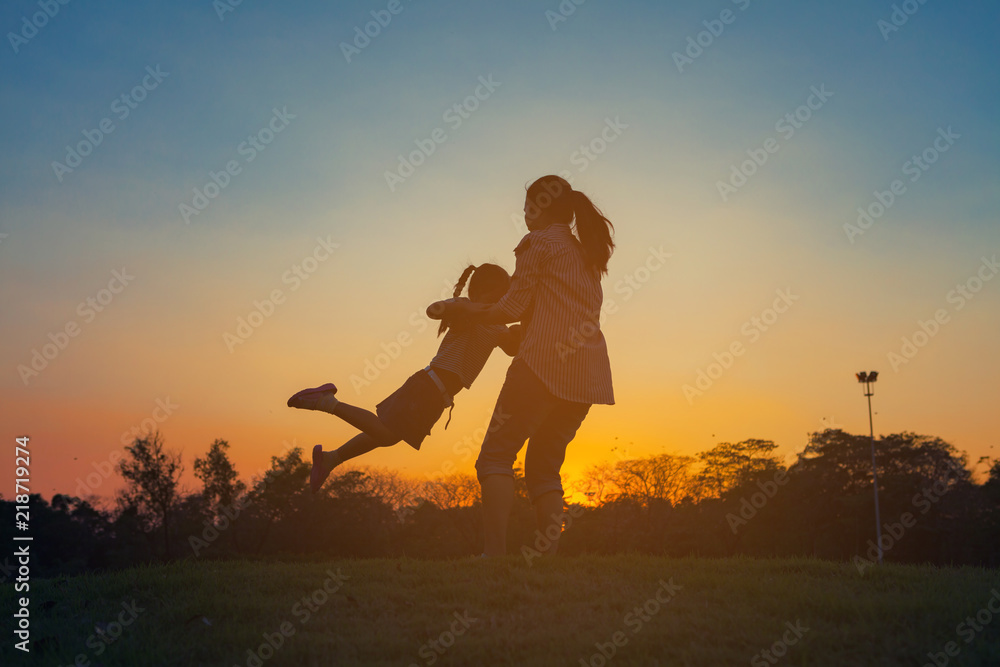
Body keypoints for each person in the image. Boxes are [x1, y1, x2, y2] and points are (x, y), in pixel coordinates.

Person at [447, 175, 615, 557]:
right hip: (587, 376)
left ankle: (493, 556)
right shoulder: (584, 253)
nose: (524, 216)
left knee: (495, 457)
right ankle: (547, 557)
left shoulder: (538, 242)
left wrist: (466, 311)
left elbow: (512, 307)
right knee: (544, 467)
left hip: (540, 366)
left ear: (539, 209)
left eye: (526, 208)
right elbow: (549, 308)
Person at [288, 263, 522, 493]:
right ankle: (326, 402)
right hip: (427, 386)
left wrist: (529, 319)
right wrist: (465, 308)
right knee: (387, 434)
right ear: (482, 291)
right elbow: (434, 310)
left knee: (384, 434)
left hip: (438, 397)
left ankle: (331, 458)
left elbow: (512, 346)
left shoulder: (496, 324)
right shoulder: (466, 309)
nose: (503, 301)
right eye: (500, 295)